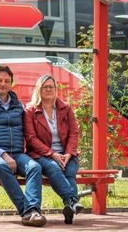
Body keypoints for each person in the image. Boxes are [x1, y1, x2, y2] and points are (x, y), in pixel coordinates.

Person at [0, 65, 47, 227]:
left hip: (17, 154)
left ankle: (32, 210)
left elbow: (29, 131)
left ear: (12, 83)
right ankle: (28, 212)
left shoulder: (18, 105)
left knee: (34, 167)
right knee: (0, 166)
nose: (3, 84)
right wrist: (3, 154)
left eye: (7, 81)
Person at [23, 74, 83, 224]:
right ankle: (72, 201)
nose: (49, 89)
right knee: (54, 168)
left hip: (67, 154)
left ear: (56, 89)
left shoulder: (66, 108)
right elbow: (31, 138)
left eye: (51, 86)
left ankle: (70, 207)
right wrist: (52, 154)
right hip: (42, 154)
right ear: (39, 89)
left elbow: (74, 132)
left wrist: (68, 154)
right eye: (45, 87)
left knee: (69, 173)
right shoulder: (30, 111)